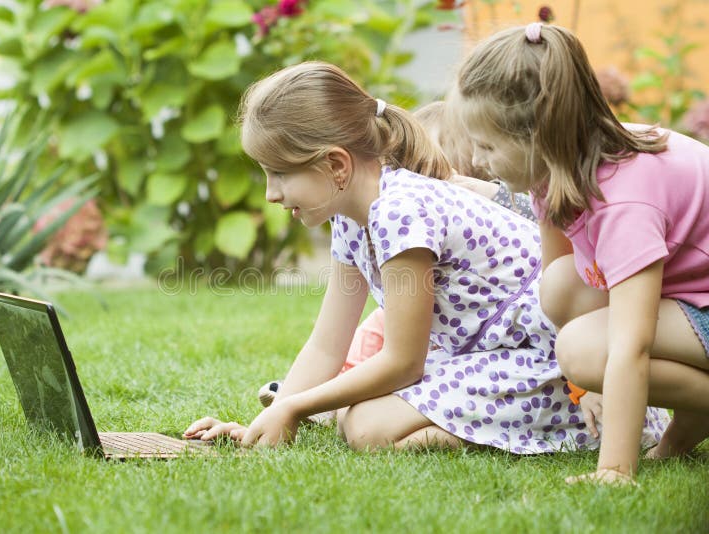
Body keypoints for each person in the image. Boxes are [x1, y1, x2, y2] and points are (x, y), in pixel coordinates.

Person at [184, 60, 669, 456]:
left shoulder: (400, 211)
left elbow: (402, 362)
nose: (271, 193)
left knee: (367, 427)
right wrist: (264, 421)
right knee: (358, 416)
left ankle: (570, 430)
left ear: (335, 164)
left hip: (552, 362)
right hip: (487, 357)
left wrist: (292, 409)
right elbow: (326, 346)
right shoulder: (352, 219)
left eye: (278, 174)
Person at [452, 22, 709, 484]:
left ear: (539, 136)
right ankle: (690, 421)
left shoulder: (625, 200)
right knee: (560, 286)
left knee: (585, 349)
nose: (476, 159)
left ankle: (691, 413)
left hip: (700, 304)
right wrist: (585, 390)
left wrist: (613, 469)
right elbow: (562, 291)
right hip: (694, 297)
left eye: (487, 145)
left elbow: (633, 342)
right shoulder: (553, 173)